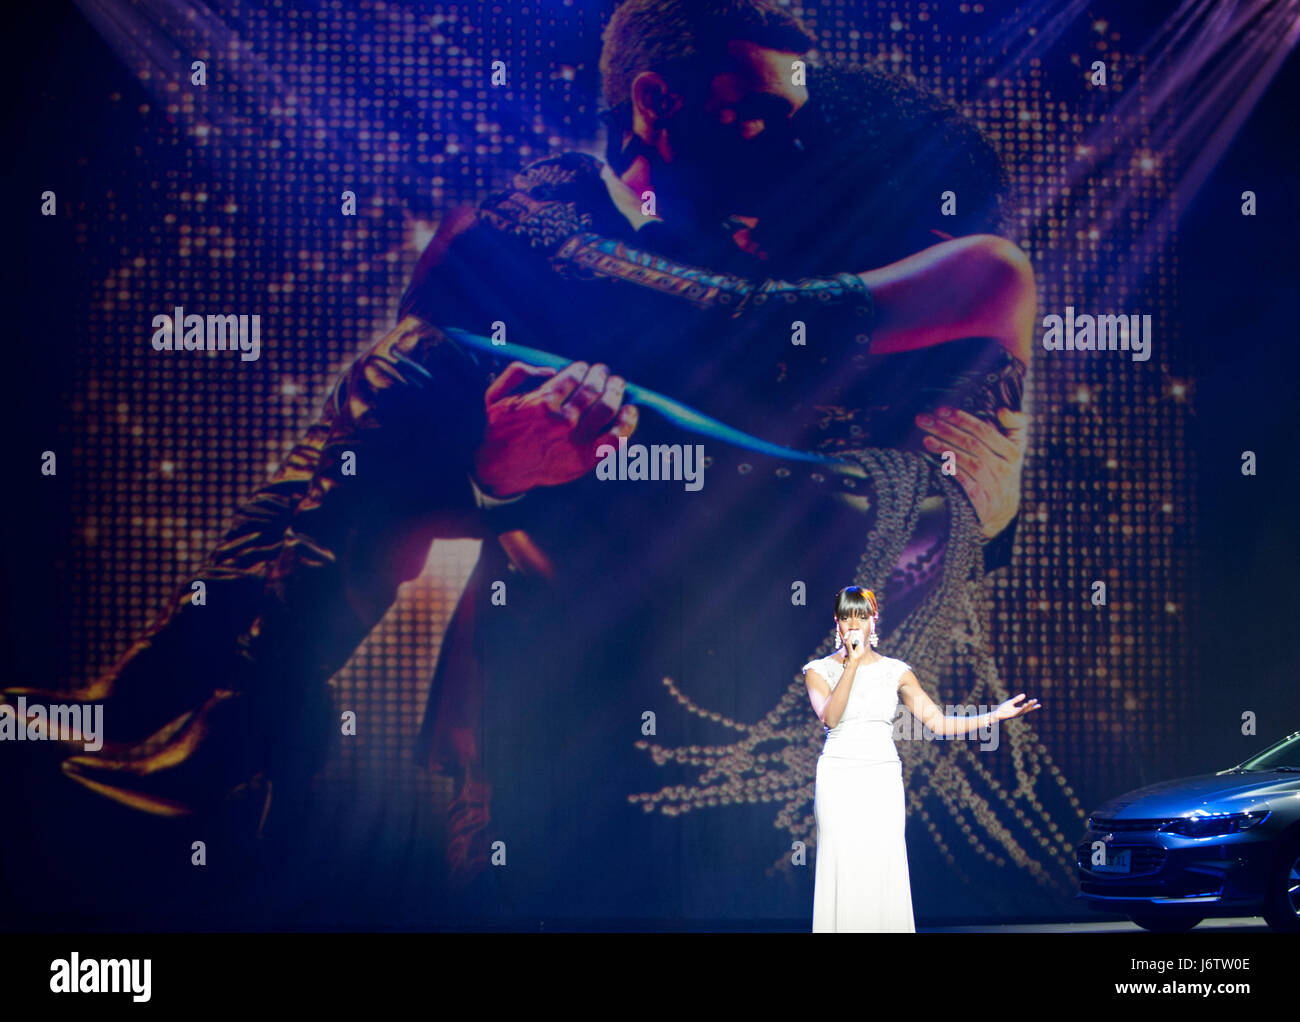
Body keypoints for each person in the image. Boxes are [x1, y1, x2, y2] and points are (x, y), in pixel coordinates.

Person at [2, 0, 1037, 924]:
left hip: (819, 606)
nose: (779, 152)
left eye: (792, 129)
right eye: (755, 120)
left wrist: (506, 276)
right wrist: (498, 472)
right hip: (596, 697)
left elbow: (795, 365)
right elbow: (425, 501)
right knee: (427, 384)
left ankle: (194, 727)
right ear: (654, 102)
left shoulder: (938, 271)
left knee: (433, 359)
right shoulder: (591, 244)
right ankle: (174, 719)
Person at [804, 586, 1040, 932]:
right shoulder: (818, 670)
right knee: (842, 865)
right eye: (846, 617)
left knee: (882, 866)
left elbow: (938, 722)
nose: (854, 624)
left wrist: (994, 717)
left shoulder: (896, 671)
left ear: (874, 620)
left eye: (862, 616)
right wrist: (851, 665)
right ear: (836, 623)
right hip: (839, 779)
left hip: (881, 778)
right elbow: (831, 717)